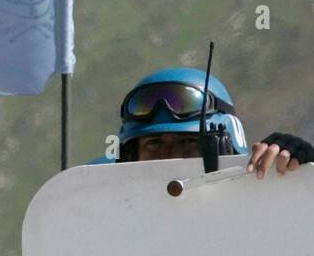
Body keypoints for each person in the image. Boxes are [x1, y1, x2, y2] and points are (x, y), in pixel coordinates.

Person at [110, 67, 311, 179]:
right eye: (154, 143)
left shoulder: (257, 200)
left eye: (189, 142)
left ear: (226, 147)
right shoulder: (97, 197)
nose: (170, 156)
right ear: (130, 155)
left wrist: (299, 166)